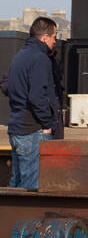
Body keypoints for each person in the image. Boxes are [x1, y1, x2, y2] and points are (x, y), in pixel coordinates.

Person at [7, 18, 59, 189]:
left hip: (17, 127)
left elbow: (7, 84)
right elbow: (38, 96)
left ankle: (11, 216)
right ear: (45, 38)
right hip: (32, 130)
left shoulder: (20, 56)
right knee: (31, 188)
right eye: (54, 37)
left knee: (17, 183)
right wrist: (47, 124)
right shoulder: (40, 58)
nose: (55, 41)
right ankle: (28, 217)